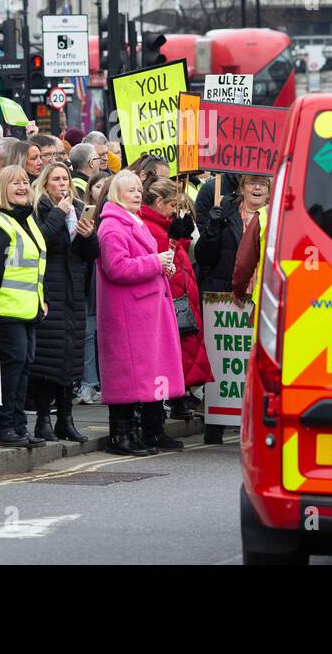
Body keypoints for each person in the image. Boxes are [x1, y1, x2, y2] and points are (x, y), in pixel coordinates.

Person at [94, 170, 185, 456]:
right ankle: (121, 436)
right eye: (130, 190)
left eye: (138, 189)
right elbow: (117, 267)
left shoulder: (133, 221)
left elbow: (140, 262)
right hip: (128, 313)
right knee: (128, 375)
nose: (137, 194)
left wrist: (162, 266)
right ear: (116, 194)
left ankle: (148, 431)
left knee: (147, 373)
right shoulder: (111, 227)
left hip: (143, 309)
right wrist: (155, 262)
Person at [0, 165, 48, 448]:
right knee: (9, 369)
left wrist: (43, 300)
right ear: (1, 189)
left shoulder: (26, 220)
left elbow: (35, 268)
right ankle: (1, 427)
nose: (22, 187)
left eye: (26, 182)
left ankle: (16, 425)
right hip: (4, 311)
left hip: (27, 310)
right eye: (14, 183)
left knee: (22, 367)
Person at [194, 173, 270, 443]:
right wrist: (212, 229)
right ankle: (214, 425)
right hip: (223, 296)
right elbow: (204, 257)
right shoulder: (225, 211)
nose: (257, 187)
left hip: (259, 299)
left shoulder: (275, 218)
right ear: (242, 187)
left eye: (263, 183)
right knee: (222, 360)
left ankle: (251, 423)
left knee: (253, 363)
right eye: (252, 182)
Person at [30, 162, 97, 443]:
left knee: (70, 357)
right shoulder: (40, 210)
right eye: (56, 179)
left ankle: (65, 419)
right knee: (47, 359)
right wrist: (59, 213)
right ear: (45, 184)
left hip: (73, 290)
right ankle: (43, 419)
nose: (62, 184)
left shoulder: (78, 209)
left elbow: (92, 254)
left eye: (65, 179)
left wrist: (88, 235)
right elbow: (40, 241)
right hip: (50, 288)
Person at [140, 175, 212, 420]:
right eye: (172, 205)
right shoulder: (149, 225)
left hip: (181, 294)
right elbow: (164, 258)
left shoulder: (161, 223)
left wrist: (182, 237)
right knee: (174, 355)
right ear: (158, 201)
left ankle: (179, 398)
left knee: (184, 353)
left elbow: (173, 252)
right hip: (171, 297)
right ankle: (170, 403)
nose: (174, 210)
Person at [74, 171, 112, 405]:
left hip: (104, 280)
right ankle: (88, 383)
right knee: (89, 332)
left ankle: (104, 382)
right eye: (97, 186)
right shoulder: (85, 213)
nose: (101, 190)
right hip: (88, 282)